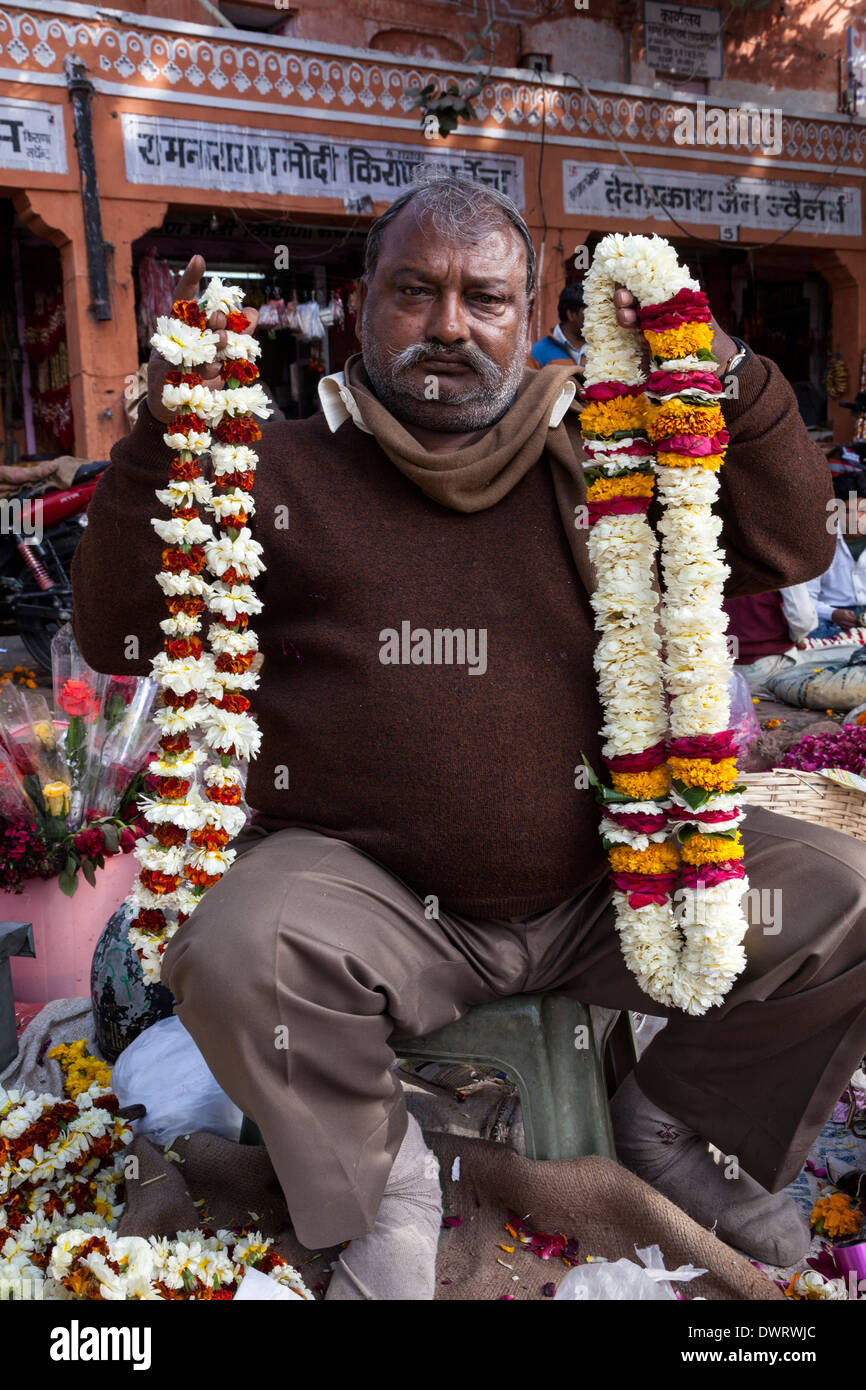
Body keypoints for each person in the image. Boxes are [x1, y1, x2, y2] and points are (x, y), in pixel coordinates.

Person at [71, 169, 866, 1301]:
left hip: (610, 886)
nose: (448, 325)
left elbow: (788, 545)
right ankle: (380, 1189)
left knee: (845, 894)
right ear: (359, 304)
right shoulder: (276, 467)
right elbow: (120, 632)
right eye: (415, 292)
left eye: (483, 298)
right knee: (235, 946)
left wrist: (726, 368)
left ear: (530, 318)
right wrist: (159, 435)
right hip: (369, 899)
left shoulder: (609, 459)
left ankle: (669, 1123)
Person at [806, 470, 866, 639]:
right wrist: (832, 614)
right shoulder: (818, 543)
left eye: (863, 510)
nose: (856, 518)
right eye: (847, 511)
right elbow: (804, 599)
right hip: (828, 620)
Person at [723, 585, 817, 691]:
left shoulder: (712, 569)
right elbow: (803, 622)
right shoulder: (787, 569)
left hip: (721, 668)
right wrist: (796, 638)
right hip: (766, 666)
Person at [529, 282, 585, 370]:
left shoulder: (602, 348)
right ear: (571, 314)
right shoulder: (538, 354)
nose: (596, 319)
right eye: (590, 313)